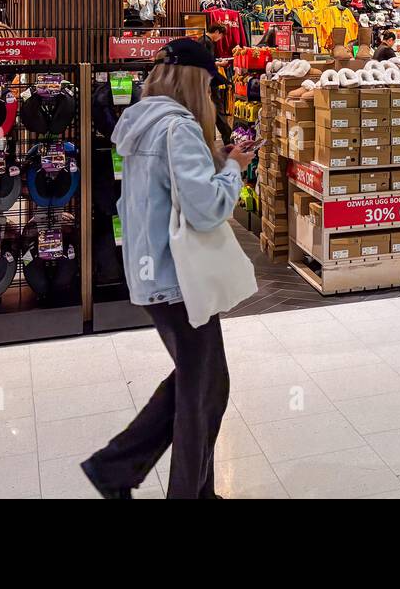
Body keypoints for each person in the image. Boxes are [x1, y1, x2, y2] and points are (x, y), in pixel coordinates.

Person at [82, 38, 257, 500]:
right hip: (178, 278)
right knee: (200, 394)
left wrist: (215, 160)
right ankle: (138, 477)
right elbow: (207, 209)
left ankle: (119, 469)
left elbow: (163, 193)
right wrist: (234, 168)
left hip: (151, 271)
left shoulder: (140, 124)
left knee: (203, 382)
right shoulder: (179, 129)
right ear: (195, 82)